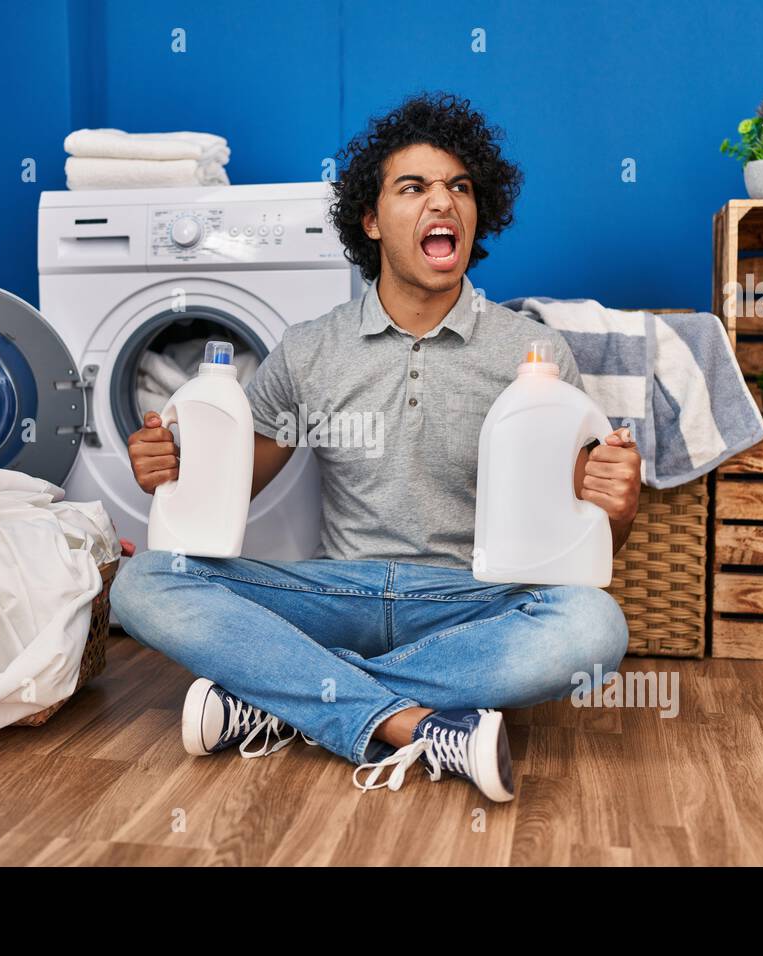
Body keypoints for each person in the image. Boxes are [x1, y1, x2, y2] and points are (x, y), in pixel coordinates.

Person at [109, 92, 641, 803]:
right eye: (413, 188)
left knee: (593, 628)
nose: (442, 203)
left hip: (471, 601)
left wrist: (619, 503)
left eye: (458, 187)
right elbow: (222, 497)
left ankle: (281, 698)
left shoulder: (530, 353)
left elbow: (592, 539)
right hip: (337, 592)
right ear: (370, 219)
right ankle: (414, 720)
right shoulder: (309, 350)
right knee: (145, 580)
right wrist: (170, 471)